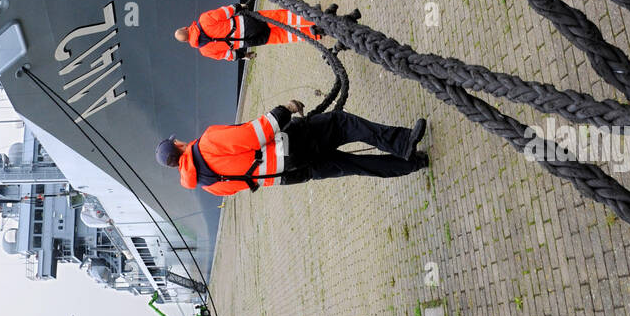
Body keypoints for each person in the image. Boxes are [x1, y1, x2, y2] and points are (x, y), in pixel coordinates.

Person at [155, 101, 427, 194]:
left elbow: (248, 183)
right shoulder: (207, 141)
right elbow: (255, 135)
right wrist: (285, 110)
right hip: (293, 143)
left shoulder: (206, 185)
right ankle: (402, 143)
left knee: (355, 165)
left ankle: (414, 163)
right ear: (178, 145)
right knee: (342, 123)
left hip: (291, 173)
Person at [174, 2, 359, 62]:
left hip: (250, 40)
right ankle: (314, 18)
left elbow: (229, 56)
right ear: (185, 28)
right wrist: (240, 6)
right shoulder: (203, 20)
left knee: (283, 36)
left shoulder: (204, 50)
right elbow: (227, 11)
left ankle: (315, 32)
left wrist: (244, 54)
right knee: (282, 18)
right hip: (247, 22)